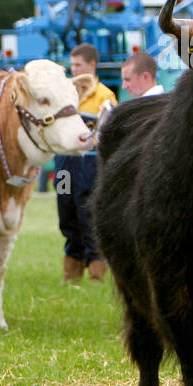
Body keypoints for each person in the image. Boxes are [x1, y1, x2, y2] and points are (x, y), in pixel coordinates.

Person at [55, 43, 115, 282]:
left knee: (87, 212)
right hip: (64, 161)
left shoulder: (105, 95)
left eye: (79, 65)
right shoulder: (66, 92)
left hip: (88, 162)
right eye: (72, 65)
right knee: (66, 210)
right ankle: (72, 268)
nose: (75, 70)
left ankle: (96, 272)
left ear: (92, 65)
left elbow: (108, 130)